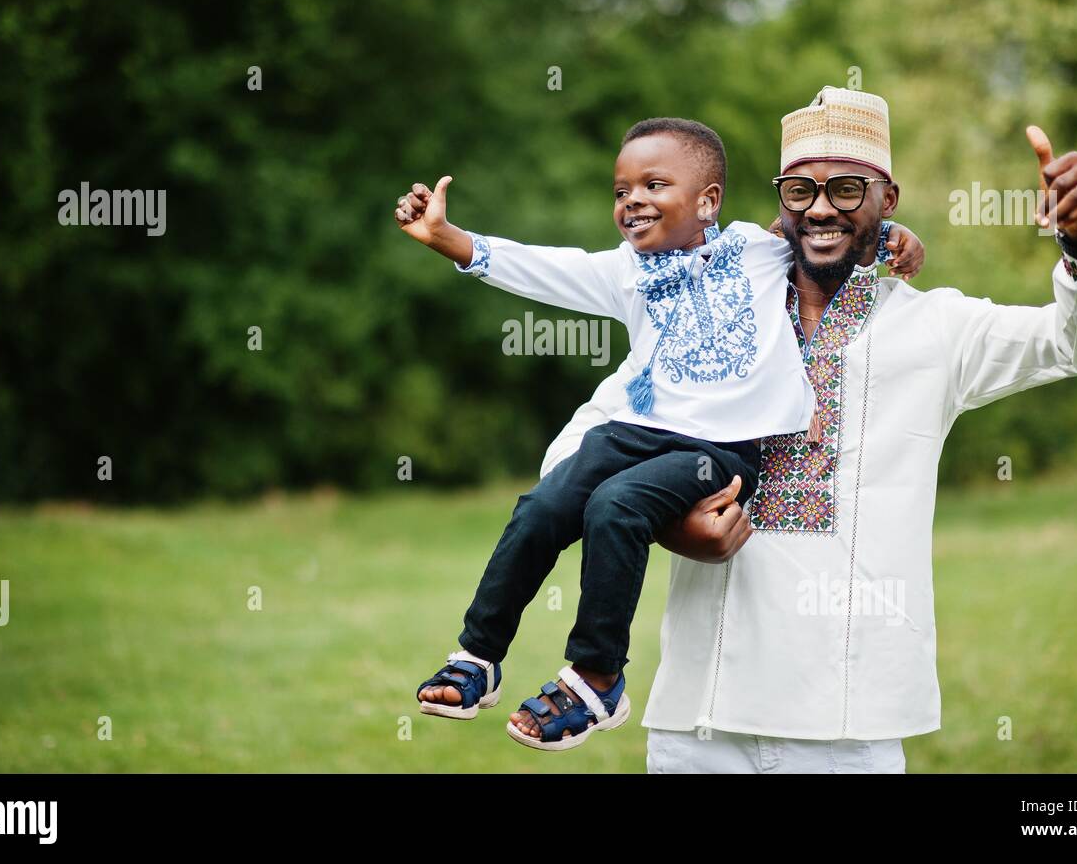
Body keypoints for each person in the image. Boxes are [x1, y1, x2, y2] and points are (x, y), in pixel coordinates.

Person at [541, 86, 1077, 772]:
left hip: (852, 725)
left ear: (888, 198)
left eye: (847, 188)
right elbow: (573, 450)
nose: (820, 207)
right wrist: (666, 522)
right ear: (779, 200)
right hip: (700, 718)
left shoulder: (935, 327)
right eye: (800, 189)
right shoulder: (713, 320)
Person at [392, 117, 925, 750]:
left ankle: (596, 676)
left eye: (653, 184)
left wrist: (894, 235)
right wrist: (446, 236)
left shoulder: (758, 249)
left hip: (716, 452)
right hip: (630, 431)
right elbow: (540, 267)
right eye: (621, 191)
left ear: (707, 201)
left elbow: (826, 224)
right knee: (542, 507)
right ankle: (476, 658)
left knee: (616, 509)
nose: (632, 200)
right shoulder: (626, 271)